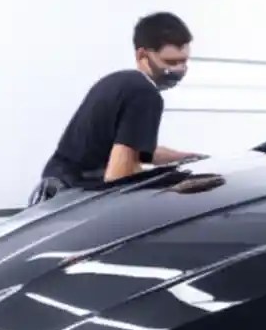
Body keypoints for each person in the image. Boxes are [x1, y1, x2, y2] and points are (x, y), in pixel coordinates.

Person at [30, 12, 203, 204]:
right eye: (170, 62)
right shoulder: (145, 94)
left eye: (184, 62)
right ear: (142, 55)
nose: (179, 70)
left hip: (53, 191)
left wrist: (187, 157)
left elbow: (134, 148)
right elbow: (120, 177)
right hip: (76, 198)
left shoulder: (116, 82)